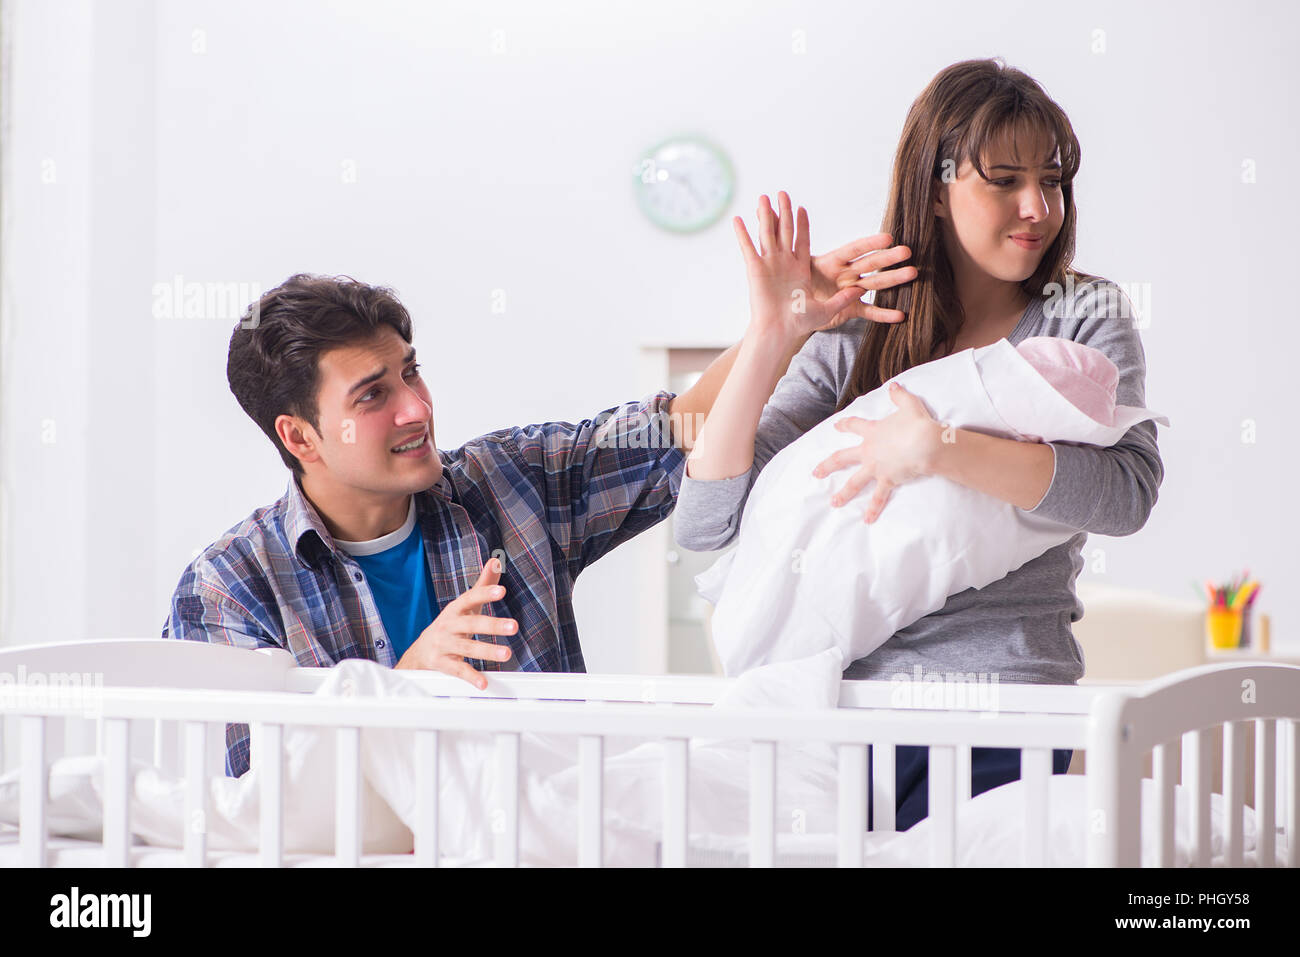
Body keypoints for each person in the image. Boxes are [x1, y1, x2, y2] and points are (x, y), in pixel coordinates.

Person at [674, 57, 1164, 831]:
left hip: (1003, 699)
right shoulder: (866, 326)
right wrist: (772, 333)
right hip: (840, 707)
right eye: (1004, 179)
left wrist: (937, 447)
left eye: (1054, 180)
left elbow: (1127, 493)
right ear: (936, 190)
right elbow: (705, 521)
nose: (1038, 206)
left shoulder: (1083, 315)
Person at [161, 266, 883, 777]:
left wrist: (778, 327)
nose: (416, 408)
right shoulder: (228, 587)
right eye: (374, 394)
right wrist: (403, 684)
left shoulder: (508, 482)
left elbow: (678, 429)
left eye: (411, 372)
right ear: (300, 437)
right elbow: (251, 802)